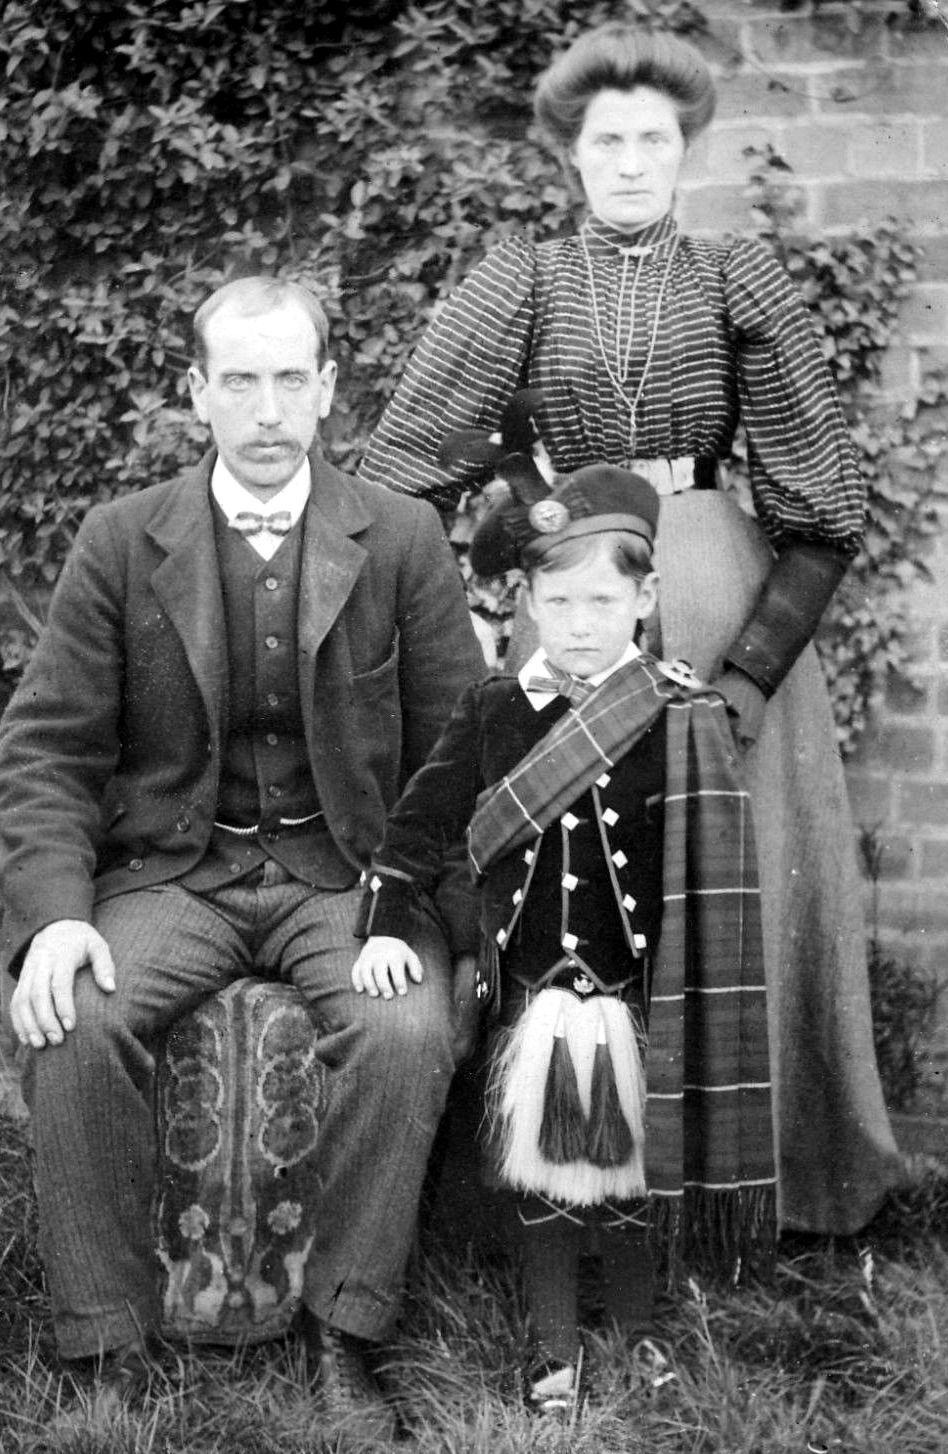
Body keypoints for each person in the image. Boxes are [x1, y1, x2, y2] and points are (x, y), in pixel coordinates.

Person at [359, 25, 904, 1236]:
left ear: (683, 148)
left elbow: (824, 511)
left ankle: (759, 1187)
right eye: (607, 140)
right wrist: (508, 524)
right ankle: (553, 1190)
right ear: (570, 152)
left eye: (654, 139)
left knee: (737, 884)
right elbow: (402, 469)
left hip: (712, 590)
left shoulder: (736, 276)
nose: (631, 161)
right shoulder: (523, 278)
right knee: (558, 881)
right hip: (572, 590)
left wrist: (755, 672)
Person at [0, 276, 486, 1432]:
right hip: (175, 871)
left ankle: (347, 1329)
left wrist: (435, 927)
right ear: (197, 394)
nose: (265, 409)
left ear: (326, 391)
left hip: (348, 875)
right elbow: (49, 747)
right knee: (75, 1014)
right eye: (238, 381)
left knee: (403, 1028)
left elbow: (457, 751)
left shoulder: (402, 538)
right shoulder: (123, 541)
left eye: (288, 380)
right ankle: (104, 1344)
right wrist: (58, 913)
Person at [352, 464, 775, 1410]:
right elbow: (415, 832)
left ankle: (630, 1338)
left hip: (635, 992)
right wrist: (385, 922)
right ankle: (554, 1353)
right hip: (530, 991)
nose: (579, 624)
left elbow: (705, 871)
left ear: (645, 596)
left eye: (602, 600)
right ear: (526, 602)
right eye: (557, 601)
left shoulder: (678, 716)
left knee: (628, 1175)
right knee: (541, 1178)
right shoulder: (493, 711)